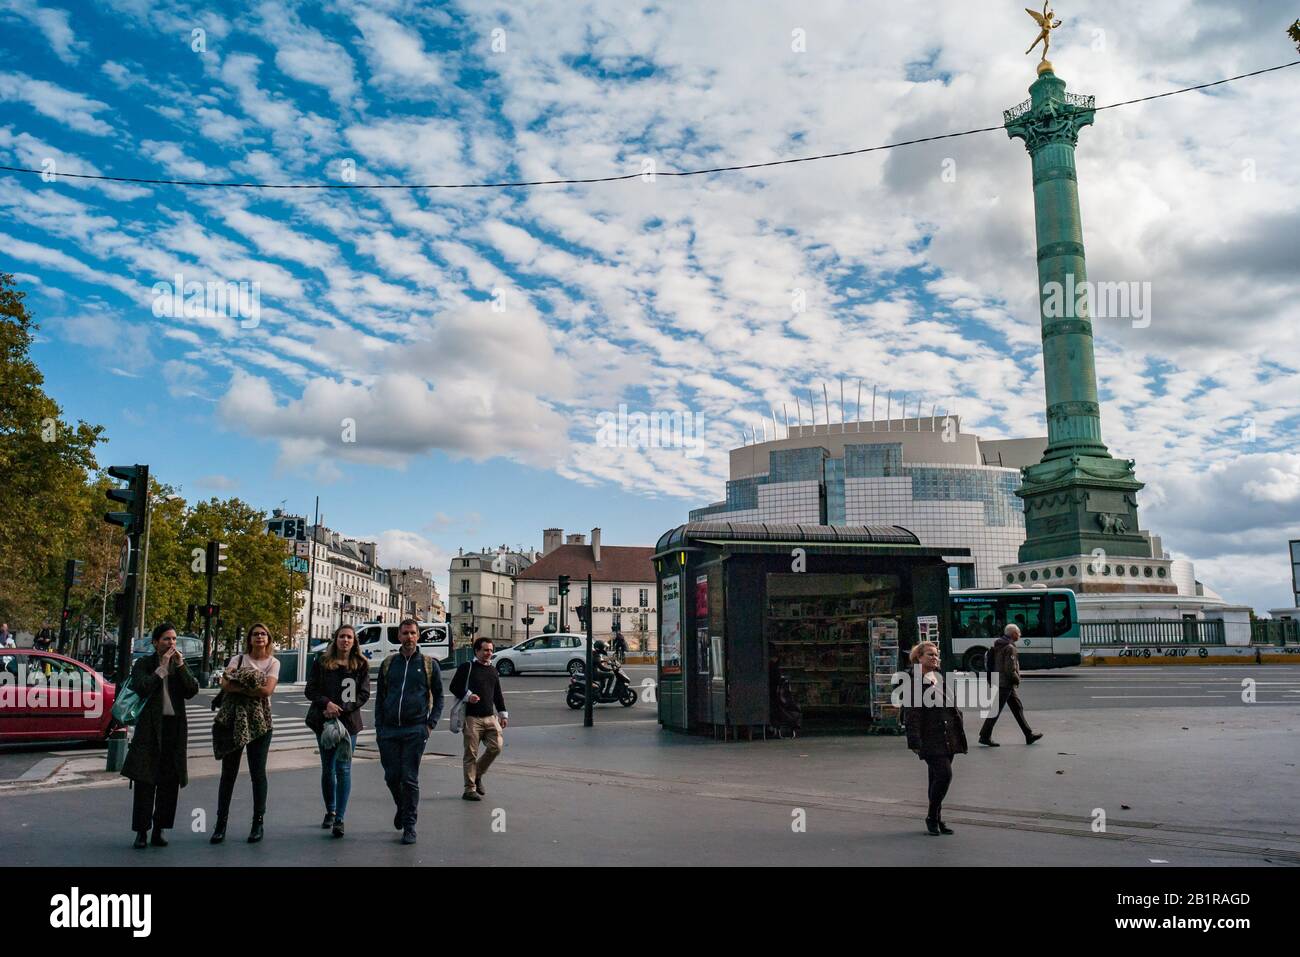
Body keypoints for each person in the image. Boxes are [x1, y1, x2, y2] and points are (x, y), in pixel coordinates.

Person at [121, 622, 199, 848]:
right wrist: (161, 668)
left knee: (168, 782)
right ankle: (141, 831)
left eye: (174, 639)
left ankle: (160, 828)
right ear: (155, 643)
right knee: (145, 782)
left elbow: (191, 690)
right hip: (149, 729)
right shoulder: (144, 663)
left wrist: (181, 665)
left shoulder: (179, 665)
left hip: (173, 729)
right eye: (166, 639)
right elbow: (142, 686)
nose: (171, 643)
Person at [375, 618, 443, 845]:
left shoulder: (428, 664)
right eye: (405, 633)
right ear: (399, 636)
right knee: (391, 776)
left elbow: (439, 697)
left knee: (409, 778)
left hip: (415, 728)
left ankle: (410, 825)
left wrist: (430, 724)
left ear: (418, 636)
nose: (409, 637)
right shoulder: (389, 664)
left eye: (413, 633)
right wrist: (379, 727)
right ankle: (402, 807)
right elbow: (380, 698)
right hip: (389, 729)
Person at [211, 622, 280, 844]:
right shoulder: (237, 659)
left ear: (268, 639)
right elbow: (225, 684)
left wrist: (238, 683)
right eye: (255, 634)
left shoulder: (274, 662)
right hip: (234, 720)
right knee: (228, 774)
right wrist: (249, 686)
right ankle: (220, 824)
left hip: (260, 722)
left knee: (257, 773)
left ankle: (257, 823)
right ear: (249, 639)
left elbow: (267, 690)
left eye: (263, 634)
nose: (259, 637)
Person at [305, 624, 370, 838]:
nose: (345, 640)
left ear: (354, 641)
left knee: (343, 769)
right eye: (342, 636)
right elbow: (310, 689)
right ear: (336, 639)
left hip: (348, 723)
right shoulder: (322, 662)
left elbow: (363, 693)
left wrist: (343, 708)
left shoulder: (360, 665)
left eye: (349, 637)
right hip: (324, 721)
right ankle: (330, 810)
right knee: (328, 769)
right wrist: (327, 704)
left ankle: (340, 817)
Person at [903, 640, 967, 836]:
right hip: (930, 737)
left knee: (936, 777)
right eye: (930, 654)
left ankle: (937, 818)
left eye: (936, 654)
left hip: (948, 734)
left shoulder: (937, 677)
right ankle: (932, 816)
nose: (935, 657)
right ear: (918, 658)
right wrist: (914, 741)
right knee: (944, 775)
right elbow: (911, 714)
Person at [449, 637, 507, 802]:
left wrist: (503, 713)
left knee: (496, 747)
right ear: (476, 651)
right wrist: (468, 696)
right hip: (471, 718)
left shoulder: (493, 670)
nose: (489, 653)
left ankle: (478, 775)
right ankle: (469, 789)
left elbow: (497, 694)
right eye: (485, 650)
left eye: (490, 650)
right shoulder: (467, 667)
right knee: (470, 754)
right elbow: (454, 686)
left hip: (490, 717)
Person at [978, 624, 1043, 747]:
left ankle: (1028, 735)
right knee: (996, 710)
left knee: (1017, 708)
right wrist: (1017, 679)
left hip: (1000, 680)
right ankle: (985, 736)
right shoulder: (1009, 648)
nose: (1020, 635)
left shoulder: (998, 645)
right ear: (1013, 634)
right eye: (1018, 633)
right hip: (1006, 683)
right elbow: (1010, 669)